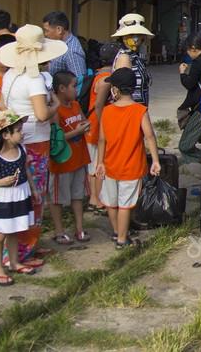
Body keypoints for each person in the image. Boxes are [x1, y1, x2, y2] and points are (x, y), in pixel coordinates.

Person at [0, 24, 67, 266]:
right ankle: (22, 253)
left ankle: (21, 247)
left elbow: (0, 107)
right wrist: (56, 105)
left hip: (16, 141)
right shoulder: (35, 80)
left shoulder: (9, 75)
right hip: (35, 142)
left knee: (21, 196)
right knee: (36, 197)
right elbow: (40, 114)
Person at [95, 68, 161, 249]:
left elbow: (102, 139)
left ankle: (117, 232)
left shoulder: (107, 111)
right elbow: (149, 136)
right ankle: (122, 239)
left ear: (115, 89)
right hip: (131, 167)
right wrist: (155, 160)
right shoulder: (139, 111)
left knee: (111, 202)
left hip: (110, 165)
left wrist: (100, 162)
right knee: (125, 205)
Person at [0, 110, 39, 286]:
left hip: (20, 194)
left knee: (14, 230)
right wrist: (1, 181)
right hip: (5, 198)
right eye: (19, 130)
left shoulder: (21, 150)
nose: (22, 133)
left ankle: (14, 262)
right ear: (5, 134)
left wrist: (33, 188)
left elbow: (26, 169)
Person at [48, 71, 92, 245]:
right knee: (57, 199)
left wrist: (85, 125)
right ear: (61, 88)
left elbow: (83, 119)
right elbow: (55, 138)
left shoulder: (75, 104)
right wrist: (77, 132)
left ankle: (79, 229)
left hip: (79, 158)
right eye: (74, 86)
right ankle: (59, 231)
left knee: (78, 196)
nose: (76, 89)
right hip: (62, 162)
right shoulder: (54, 110)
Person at [88, 42, 120, 212]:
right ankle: (95, 198)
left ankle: (94, 196)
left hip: (94, 125)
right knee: (97, 164)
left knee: (94, 163)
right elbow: (99, 105)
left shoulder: (99, 74)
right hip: (96, 126)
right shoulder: (106, 79)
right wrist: (104, 125)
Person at [177, 33, 201, 171]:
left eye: (188, 51)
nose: (188, 54)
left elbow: (189, 84)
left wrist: (182, 73)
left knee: (185, 146)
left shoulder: (199, 62)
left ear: (193, 48)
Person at [110, 13, 153, 106]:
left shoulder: (136, 56)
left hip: (138, 110)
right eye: (132, 35)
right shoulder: (125, 57)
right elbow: (121, 90)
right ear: (123, 37)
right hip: (130, 111)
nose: (136, 39)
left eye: (139, 34)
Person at [42, 12, 87, 89]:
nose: (45, 34)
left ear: (59, 30)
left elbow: (80, 82)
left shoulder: (71, 52)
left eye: (47, 30)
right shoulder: (58, 43)